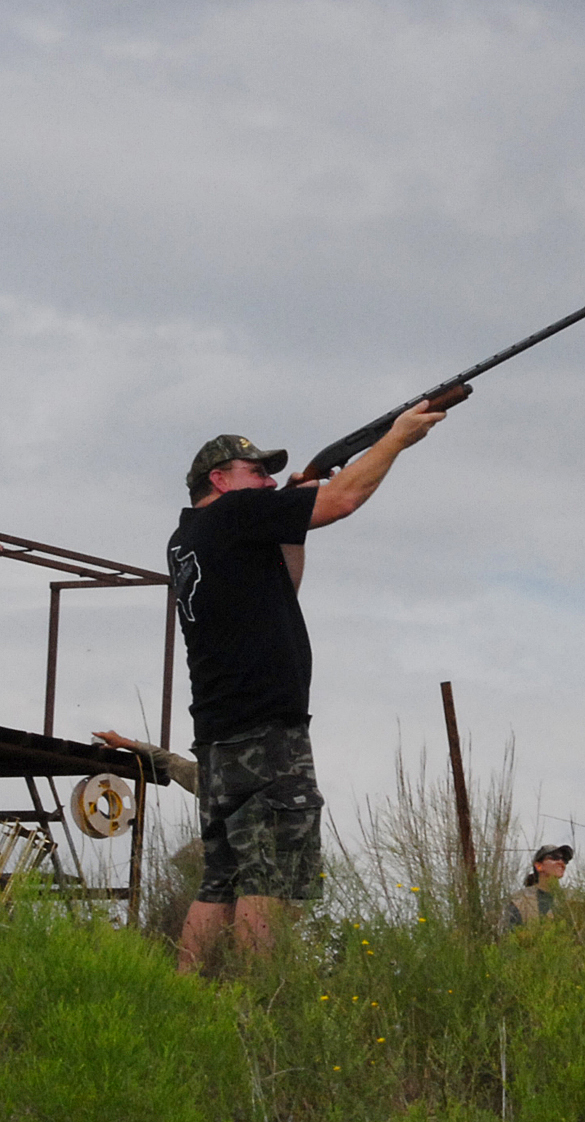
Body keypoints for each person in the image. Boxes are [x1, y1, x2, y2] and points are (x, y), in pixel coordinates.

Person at [158, 388, 464, 972]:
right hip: (266, 727)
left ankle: (186, 995)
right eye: (256, 472)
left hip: (220, 732)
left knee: (222, 877)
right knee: (271, 875)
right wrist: (397, 439)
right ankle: (259, 1000)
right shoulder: (235, 515)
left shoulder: (189, 537)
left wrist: (293, 510)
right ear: (219, 479)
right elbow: (344, 500)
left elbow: (285, 585)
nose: (270, 482)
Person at [501, 843, 572, 928]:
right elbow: (510, 933)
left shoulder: (572, 898)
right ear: (539, 866)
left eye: (565, 860)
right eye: (554, 857)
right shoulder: (520, 900)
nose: (561, 862)